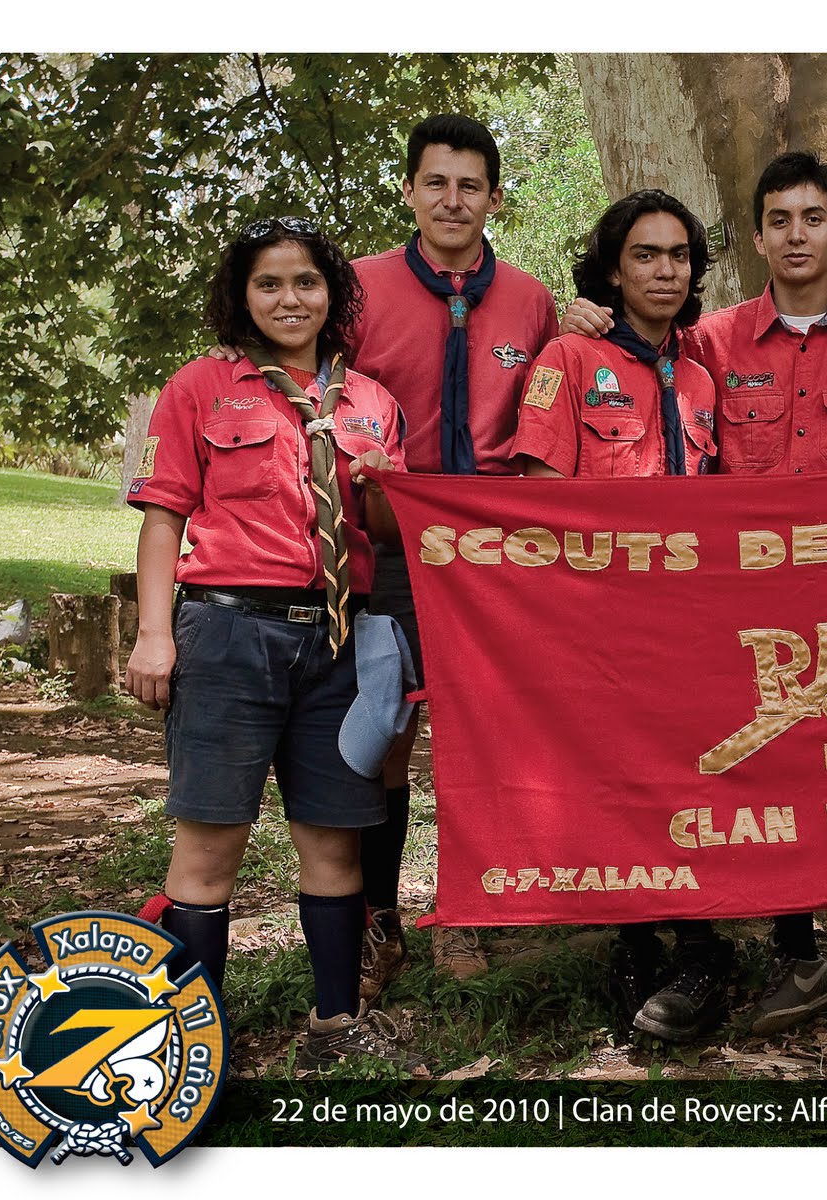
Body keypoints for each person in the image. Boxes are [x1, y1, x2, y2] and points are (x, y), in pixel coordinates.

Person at [558, 152, 827, 1037]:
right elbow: (612, 373)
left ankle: (800, 951)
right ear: (757, 235)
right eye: (779, 220)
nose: (796, 235)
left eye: (813, 218)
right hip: (708, 609)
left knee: (794, 773)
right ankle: (678, 948)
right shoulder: (706, 344)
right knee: (697, 768)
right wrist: (576, 322)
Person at [125, 216, 414, 1068]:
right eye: (269, 283)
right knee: (210, 843)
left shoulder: (370, 402)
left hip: (336, 639)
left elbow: (390, 532)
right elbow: (164, 515)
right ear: (242, 297)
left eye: (307, 282)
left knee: (333, 837)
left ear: (333, 294)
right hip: (226, 632)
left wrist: (380, 489)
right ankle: (189, 1044)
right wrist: (153, 636)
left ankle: (335, 1027)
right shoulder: (201, 388)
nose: (291, 299)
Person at [340, 115, 560, 996]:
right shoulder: (356, 289)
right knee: (389, 729)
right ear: (408, 191)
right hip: (393, 543)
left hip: (497, 555)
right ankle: (377, 917)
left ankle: (466, 913)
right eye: (436, 183)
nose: (453, 200)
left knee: (484, 734)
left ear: (495, 197)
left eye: (471, 186)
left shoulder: (532, 302)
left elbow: (552, 406)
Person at [512, 189, 726, 1041]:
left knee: (696, 778)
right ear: (612, 268)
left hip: (691, 621)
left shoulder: (704, 377)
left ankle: (705, 951)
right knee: (619, 784)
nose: (665, 270)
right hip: (600, 620)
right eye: (646, 255)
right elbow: (539, 503)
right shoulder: (568, 358)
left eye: (678, 256)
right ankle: (635, 943)